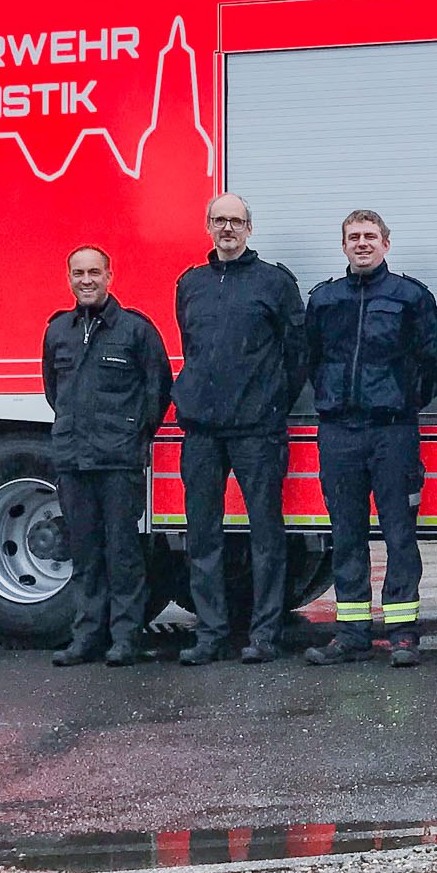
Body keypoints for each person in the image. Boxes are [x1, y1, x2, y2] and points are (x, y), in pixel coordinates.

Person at [301, 210, 437, 669]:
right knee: (346, 535)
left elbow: (432, 361)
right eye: (353, 237)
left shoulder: (410, 296)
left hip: (392, 431)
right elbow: (310, 359)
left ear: (386, 243)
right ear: (343, 245)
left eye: (369, 236)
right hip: (339, 431)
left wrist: (403, 399)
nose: (361, 243)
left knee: (400, 534)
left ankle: (402, 634)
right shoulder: (324, 299)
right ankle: (352, 634)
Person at [172, 193, 306, 666]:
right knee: (202, 537)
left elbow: (297, 353)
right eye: (219, 220)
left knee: (266, 535)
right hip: (202, 432)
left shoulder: (274, 282)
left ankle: (265, 634)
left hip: (257, 430)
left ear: (250, 228)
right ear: (208, 226)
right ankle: (210, 635)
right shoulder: (191, 284)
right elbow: (191, 346)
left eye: (236, 221)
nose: (227, 228)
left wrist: (271, 401)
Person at [43, 245, 173, 668]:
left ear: (109, 276)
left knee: (123, 554)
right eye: (79, 273)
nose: (87, 280)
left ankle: (125, 639)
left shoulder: (135, 330)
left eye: (94, 272)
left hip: (119, 462)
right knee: (84, 554)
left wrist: (132, 436)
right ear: (69, 278)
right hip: (73, 461)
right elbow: (53, 391)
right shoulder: (57, 331)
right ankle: (86, 638)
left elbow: (157, 389)